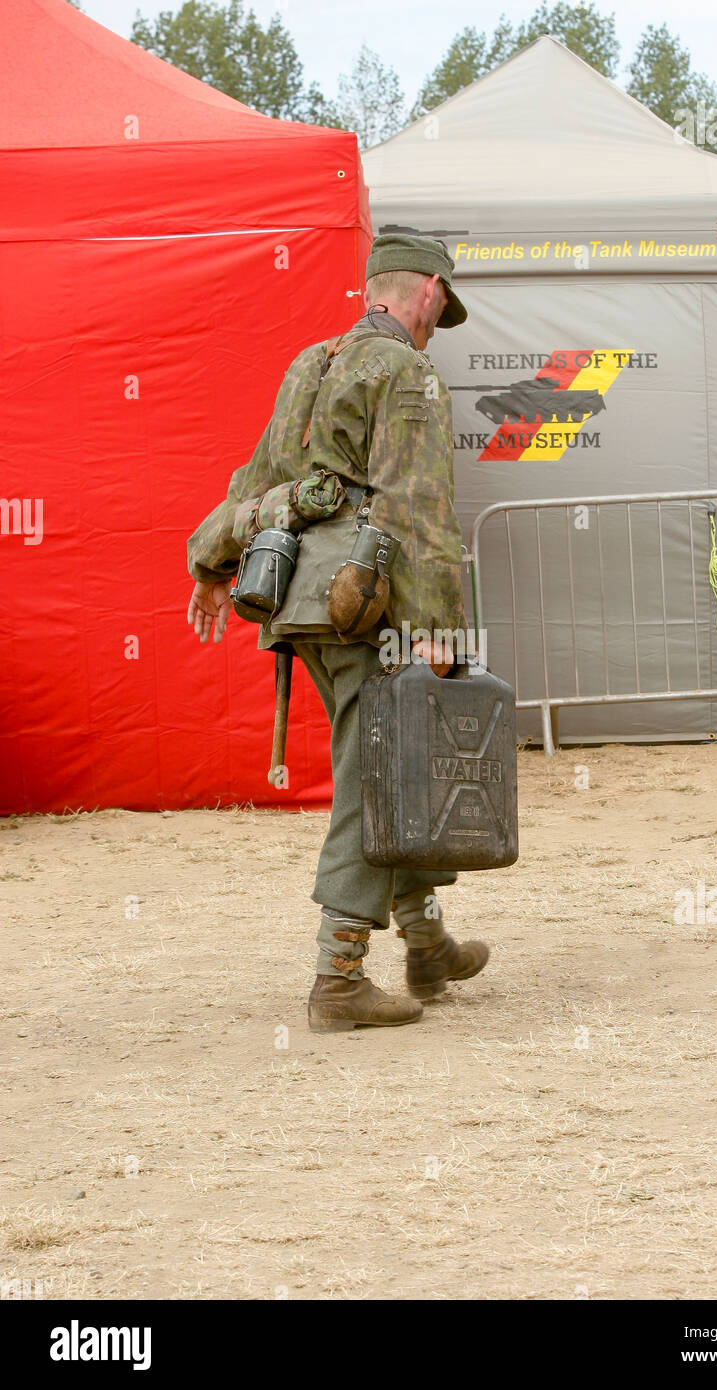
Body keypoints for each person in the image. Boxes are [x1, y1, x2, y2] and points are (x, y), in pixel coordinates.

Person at [185, 234, 490, 1033]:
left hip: (295, 601)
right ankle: (340, 974)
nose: (436, 327)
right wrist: (437, 630)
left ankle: (426, 944)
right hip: (366, 604)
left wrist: (213, 563)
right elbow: (416, 504)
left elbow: (259, 477)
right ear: (427, 291)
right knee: (376, 775)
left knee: (390, 761)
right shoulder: (407, 371)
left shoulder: (310, 362)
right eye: (440, 310)